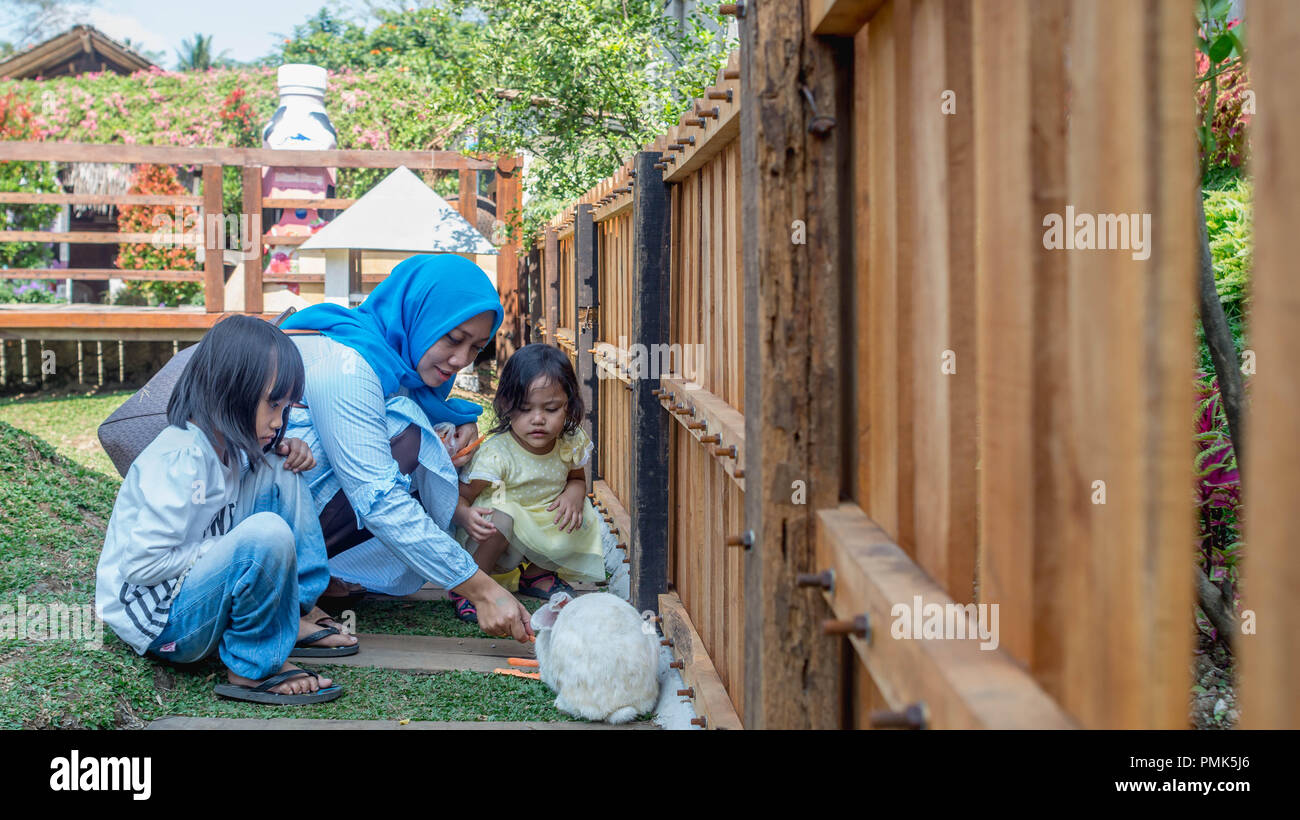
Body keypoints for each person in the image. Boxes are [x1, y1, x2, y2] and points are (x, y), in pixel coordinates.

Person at [95, 315, 355, 706]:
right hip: (163, 623)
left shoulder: (228, 448)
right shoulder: (182, 459)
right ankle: (252, 669)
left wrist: (288, 448)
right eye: (273, 403)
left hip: (191, 593)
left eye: (286, 407)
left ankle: (293, 613)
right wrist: (225, 547)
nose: (278, 420)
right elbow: (140, 567)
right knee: (263, 532)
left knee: (282, 469)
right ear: (229, 388)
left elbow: (265, 480)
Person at [279, 254, 534, 642]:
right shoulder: (346, 365)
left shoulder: (387, 357)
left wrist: (454, 422)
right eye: (453, 338)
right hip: (248, 526)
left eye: (476, 348)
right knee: (405, 432)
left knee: (416, 434)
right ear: (418, 312)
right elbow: (377, 497)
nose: (461, 360)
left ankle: (316, 574)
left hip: (285, 509)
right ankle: (288, 584)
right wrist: (483, 589)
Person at [452, 343, 604, 622]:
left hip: (536, 527)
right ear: (507, 406)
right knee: (505, 517)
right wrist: (465, 515)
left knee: (572, 508)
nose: (538, 419)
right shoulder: (498, 453)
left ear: (568, 406)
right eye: (525, 408)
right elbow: (462, 497)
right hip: (492, 536)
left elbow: (576, 478)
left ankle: (536, 574)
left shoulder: (569, 442)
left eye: (551, 408)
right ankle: (472, 585)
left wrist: (574, 493)